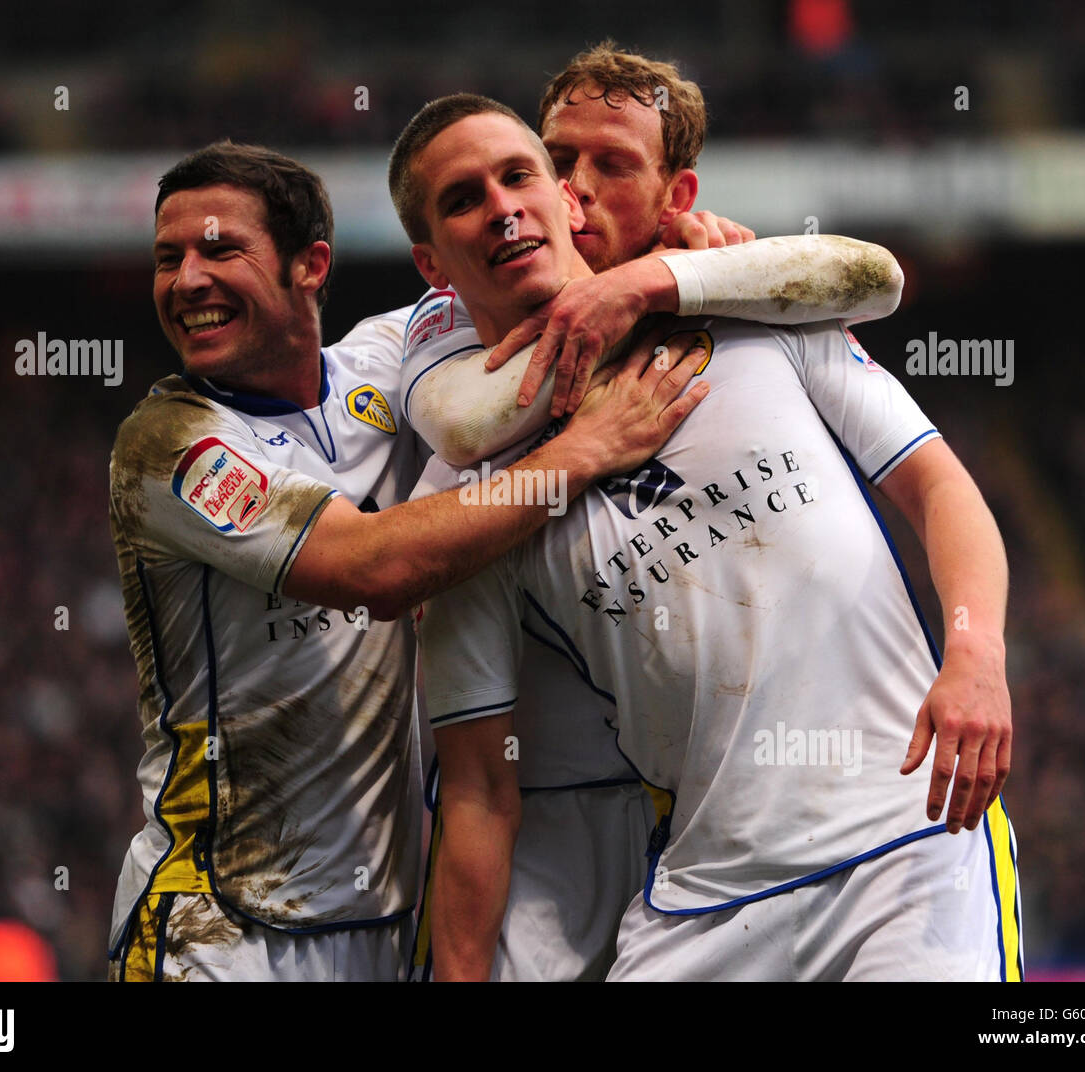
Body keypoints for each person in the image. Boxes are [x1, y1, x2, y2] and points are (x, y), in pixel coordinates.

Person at [391, 95, 1022, 981]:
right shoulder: (473, 503)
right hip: (699, 903)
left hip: (910, 842)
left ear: (565, 202)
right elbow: (477, 791)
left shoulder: (754, 311)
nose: (501, 208)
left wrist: (976, 654)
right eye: (463, 199)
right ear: (432, 263)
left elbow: (938, 483)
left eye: (519, 176)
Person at [105, 140, 709, 982]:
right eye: (168, 259)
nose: (187, 281)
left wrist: (678, 253)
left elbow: (528, 270)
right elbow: (370, 573)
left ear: (310, 265)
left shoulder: (389, 364)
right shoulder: (168, 445)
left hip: (381, 925)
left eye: (220, 249)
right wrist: (584, 453)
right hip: (218, 926)